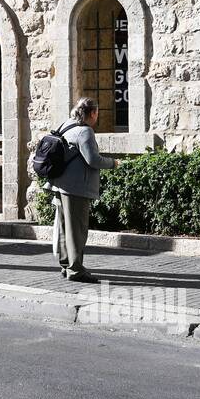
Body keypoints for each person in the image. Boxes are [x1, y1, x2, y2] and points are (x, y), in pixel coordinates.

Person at [47, 97, 120, 282]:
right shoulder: (85, 131)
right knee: (77, 230)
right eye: (97, 113)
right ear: (93, 113)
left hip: (60, 184)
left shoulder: (67, 125)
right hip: (76, 188)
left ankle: (66, 265)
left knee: (65, 228)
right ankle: (76, 270)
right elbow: (93, 160)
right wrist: (114, 163)